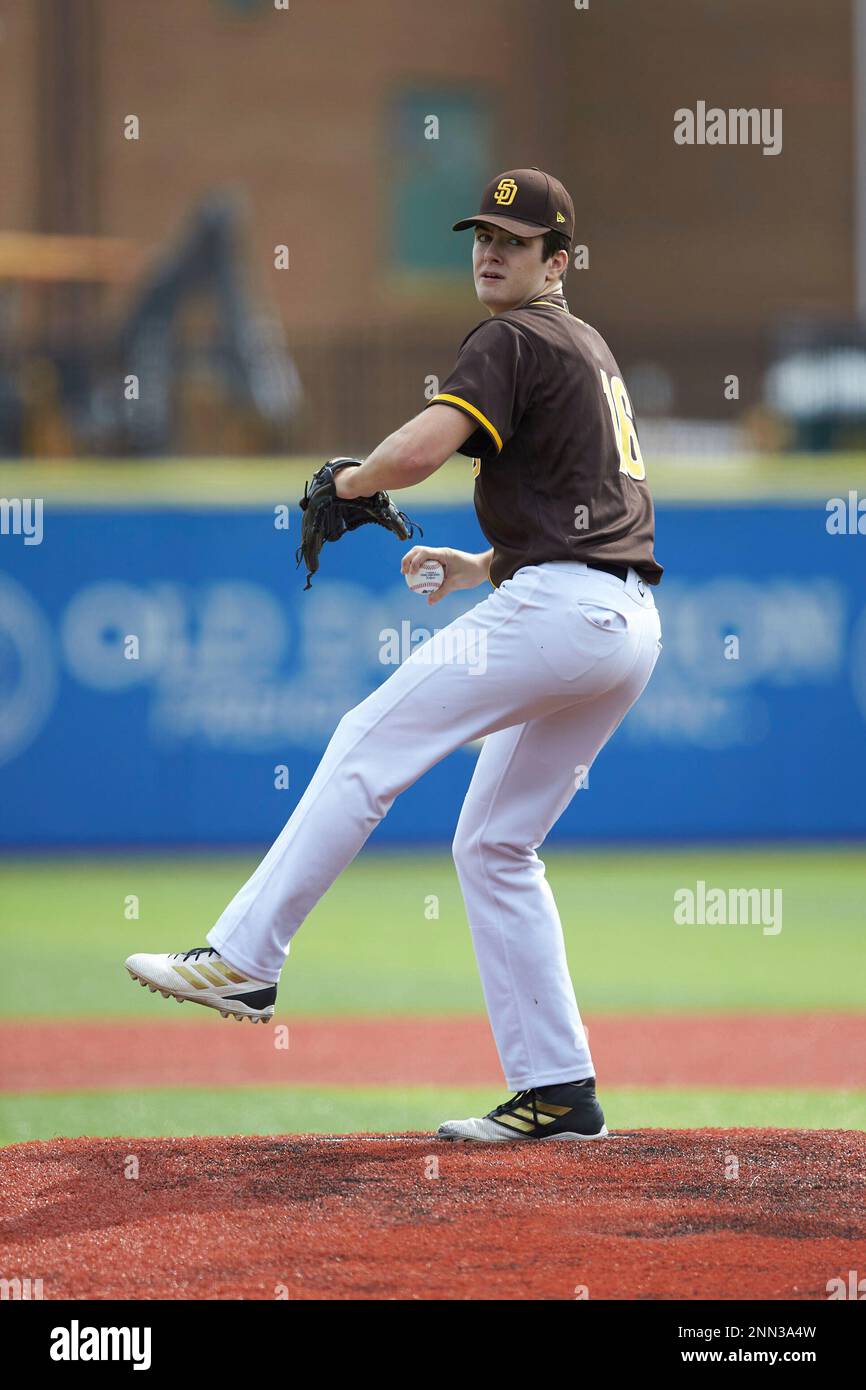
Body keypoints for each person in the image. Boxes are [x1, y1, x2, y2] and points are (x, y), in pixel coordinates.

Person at [126, 167, 663, 1143]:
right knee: (494, 846)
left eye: (514, 239)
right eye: (481, 235)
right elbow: (592, 501)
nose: (490, 251)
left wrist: (351, 476)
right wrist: (484, 565)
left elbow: (424, 447)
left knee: (365, 736)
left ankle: (246, 958)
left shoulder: (514, 333)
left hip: (565, 608)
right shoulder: (583, 346)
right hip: (615, 620)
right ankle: (558, 1090)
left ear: (559, 260)